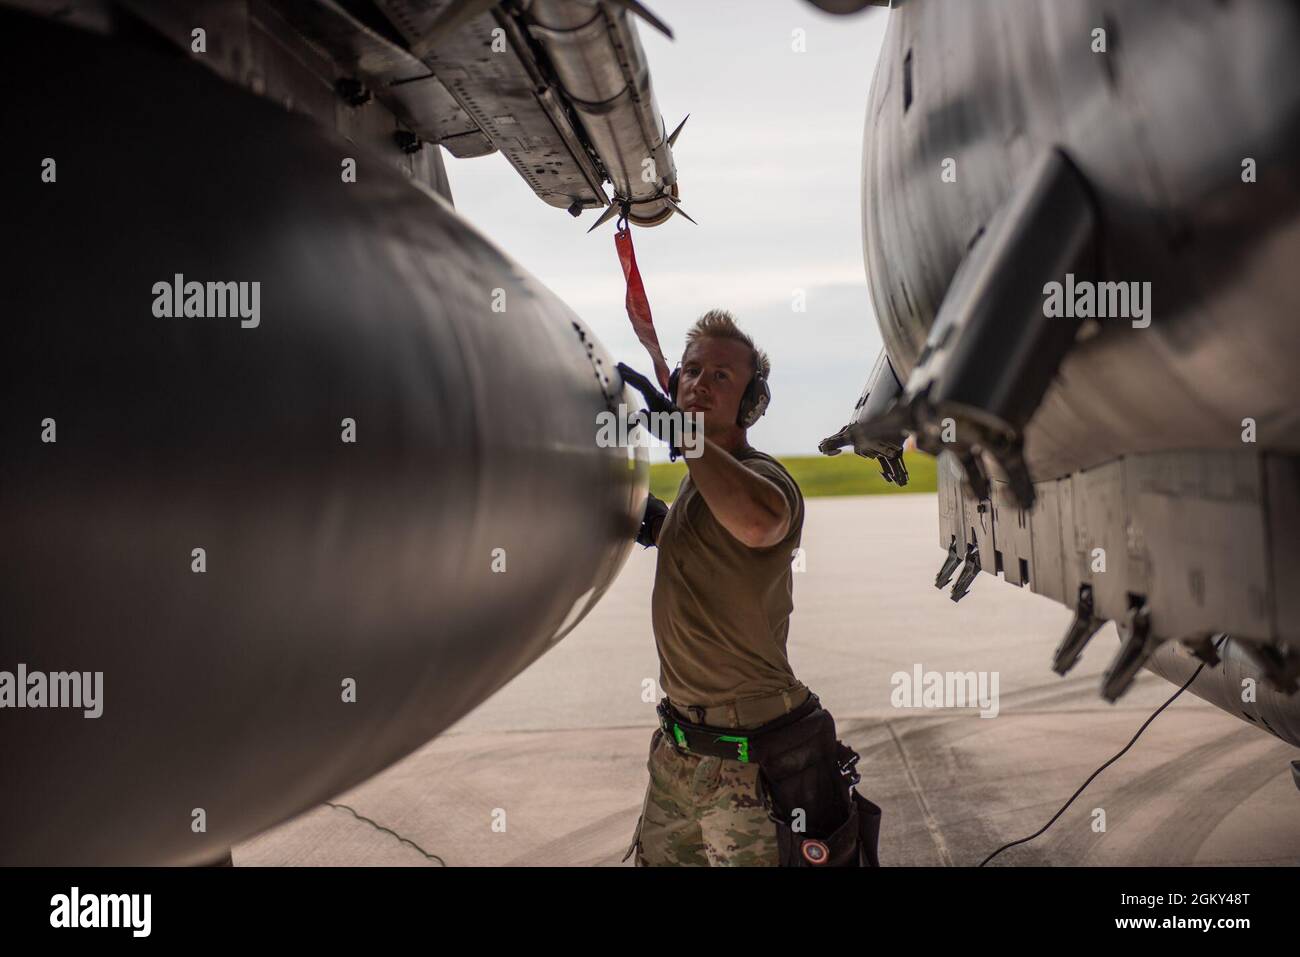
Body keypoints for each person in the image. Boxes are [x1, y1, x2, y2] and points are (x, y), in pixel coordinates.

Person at [617, 309, 880, 867]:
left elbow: (757, 525)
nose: (699, 384)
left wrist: (687, 441)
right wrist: (662, 527)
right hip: (678, 752)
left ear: (751, 402)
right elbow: (719, 549)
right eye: (690, 372)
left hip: (753, 762)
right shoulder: (697, 484)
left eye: (721, 376)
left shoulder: (765, 478)